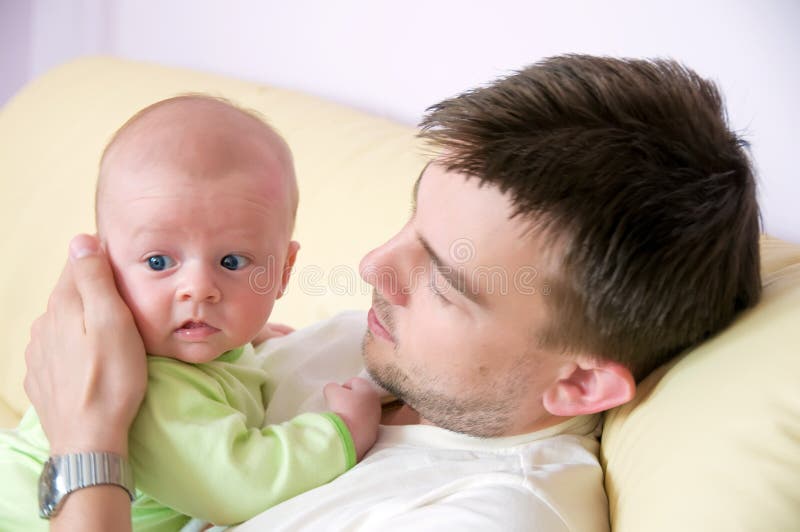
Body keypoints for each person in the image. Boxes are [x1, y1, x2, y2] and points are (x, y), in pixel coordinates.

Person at [23, 55, 761, 531]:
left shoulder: (488, 516)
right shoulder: (375, 343)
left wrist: (86, 449)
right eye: (412, 218)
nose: (376, 265)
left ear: (578, 381)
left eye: (443, 279)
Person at [2, 95, 381, 530]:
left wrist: (247, 339)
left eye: (233, 262)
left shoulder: (198, 350)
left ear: (283, 272)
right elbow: (239, 482)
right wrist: (341, 433)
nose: (199, 290)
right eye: (159, 262)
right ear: (104, 268)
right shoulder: (153, 389)